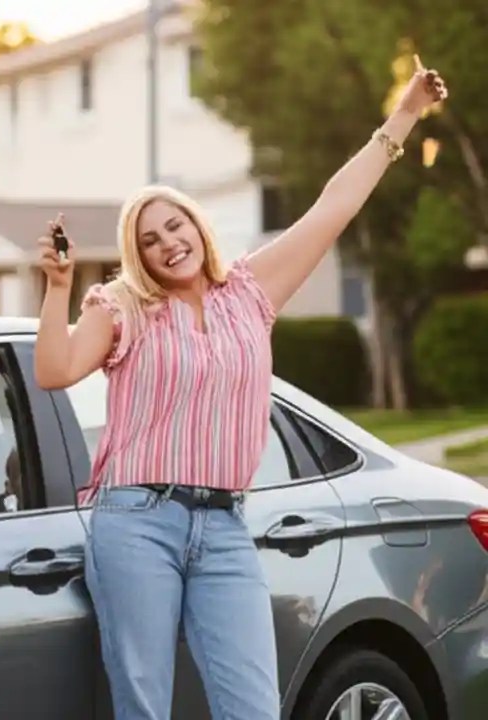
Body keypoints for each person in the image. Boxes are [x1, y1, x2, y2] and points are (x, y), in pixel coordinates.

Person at [33, 57, 448, 720]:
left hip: (226, 525)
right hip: (137, 522)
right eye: (149, 239)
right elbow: (54, 370)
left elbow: (333, 207)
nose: (168, 243)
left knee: (252, 705)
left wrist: (403, 116)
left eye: (175, 225)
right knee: (144, 704)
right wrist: (57, 290)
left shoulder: (249, 294)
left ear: (199, 226)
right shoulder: (123, 307)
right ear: (137, 256)